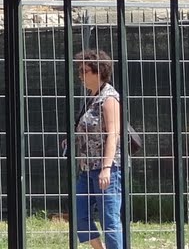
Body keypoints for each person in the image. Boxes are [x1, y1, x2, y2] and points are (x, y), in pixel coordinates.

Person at [73, 49, 124, 249]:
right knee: (80, 214)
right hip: (86, 168)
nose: (80, 76)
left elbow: (113, 134)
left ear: (99, 71)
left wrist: (106, 168)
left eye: (84, 71)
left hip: (105, 169)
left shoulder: (109, 98)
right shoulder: (91, 97)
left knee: (109, 219)